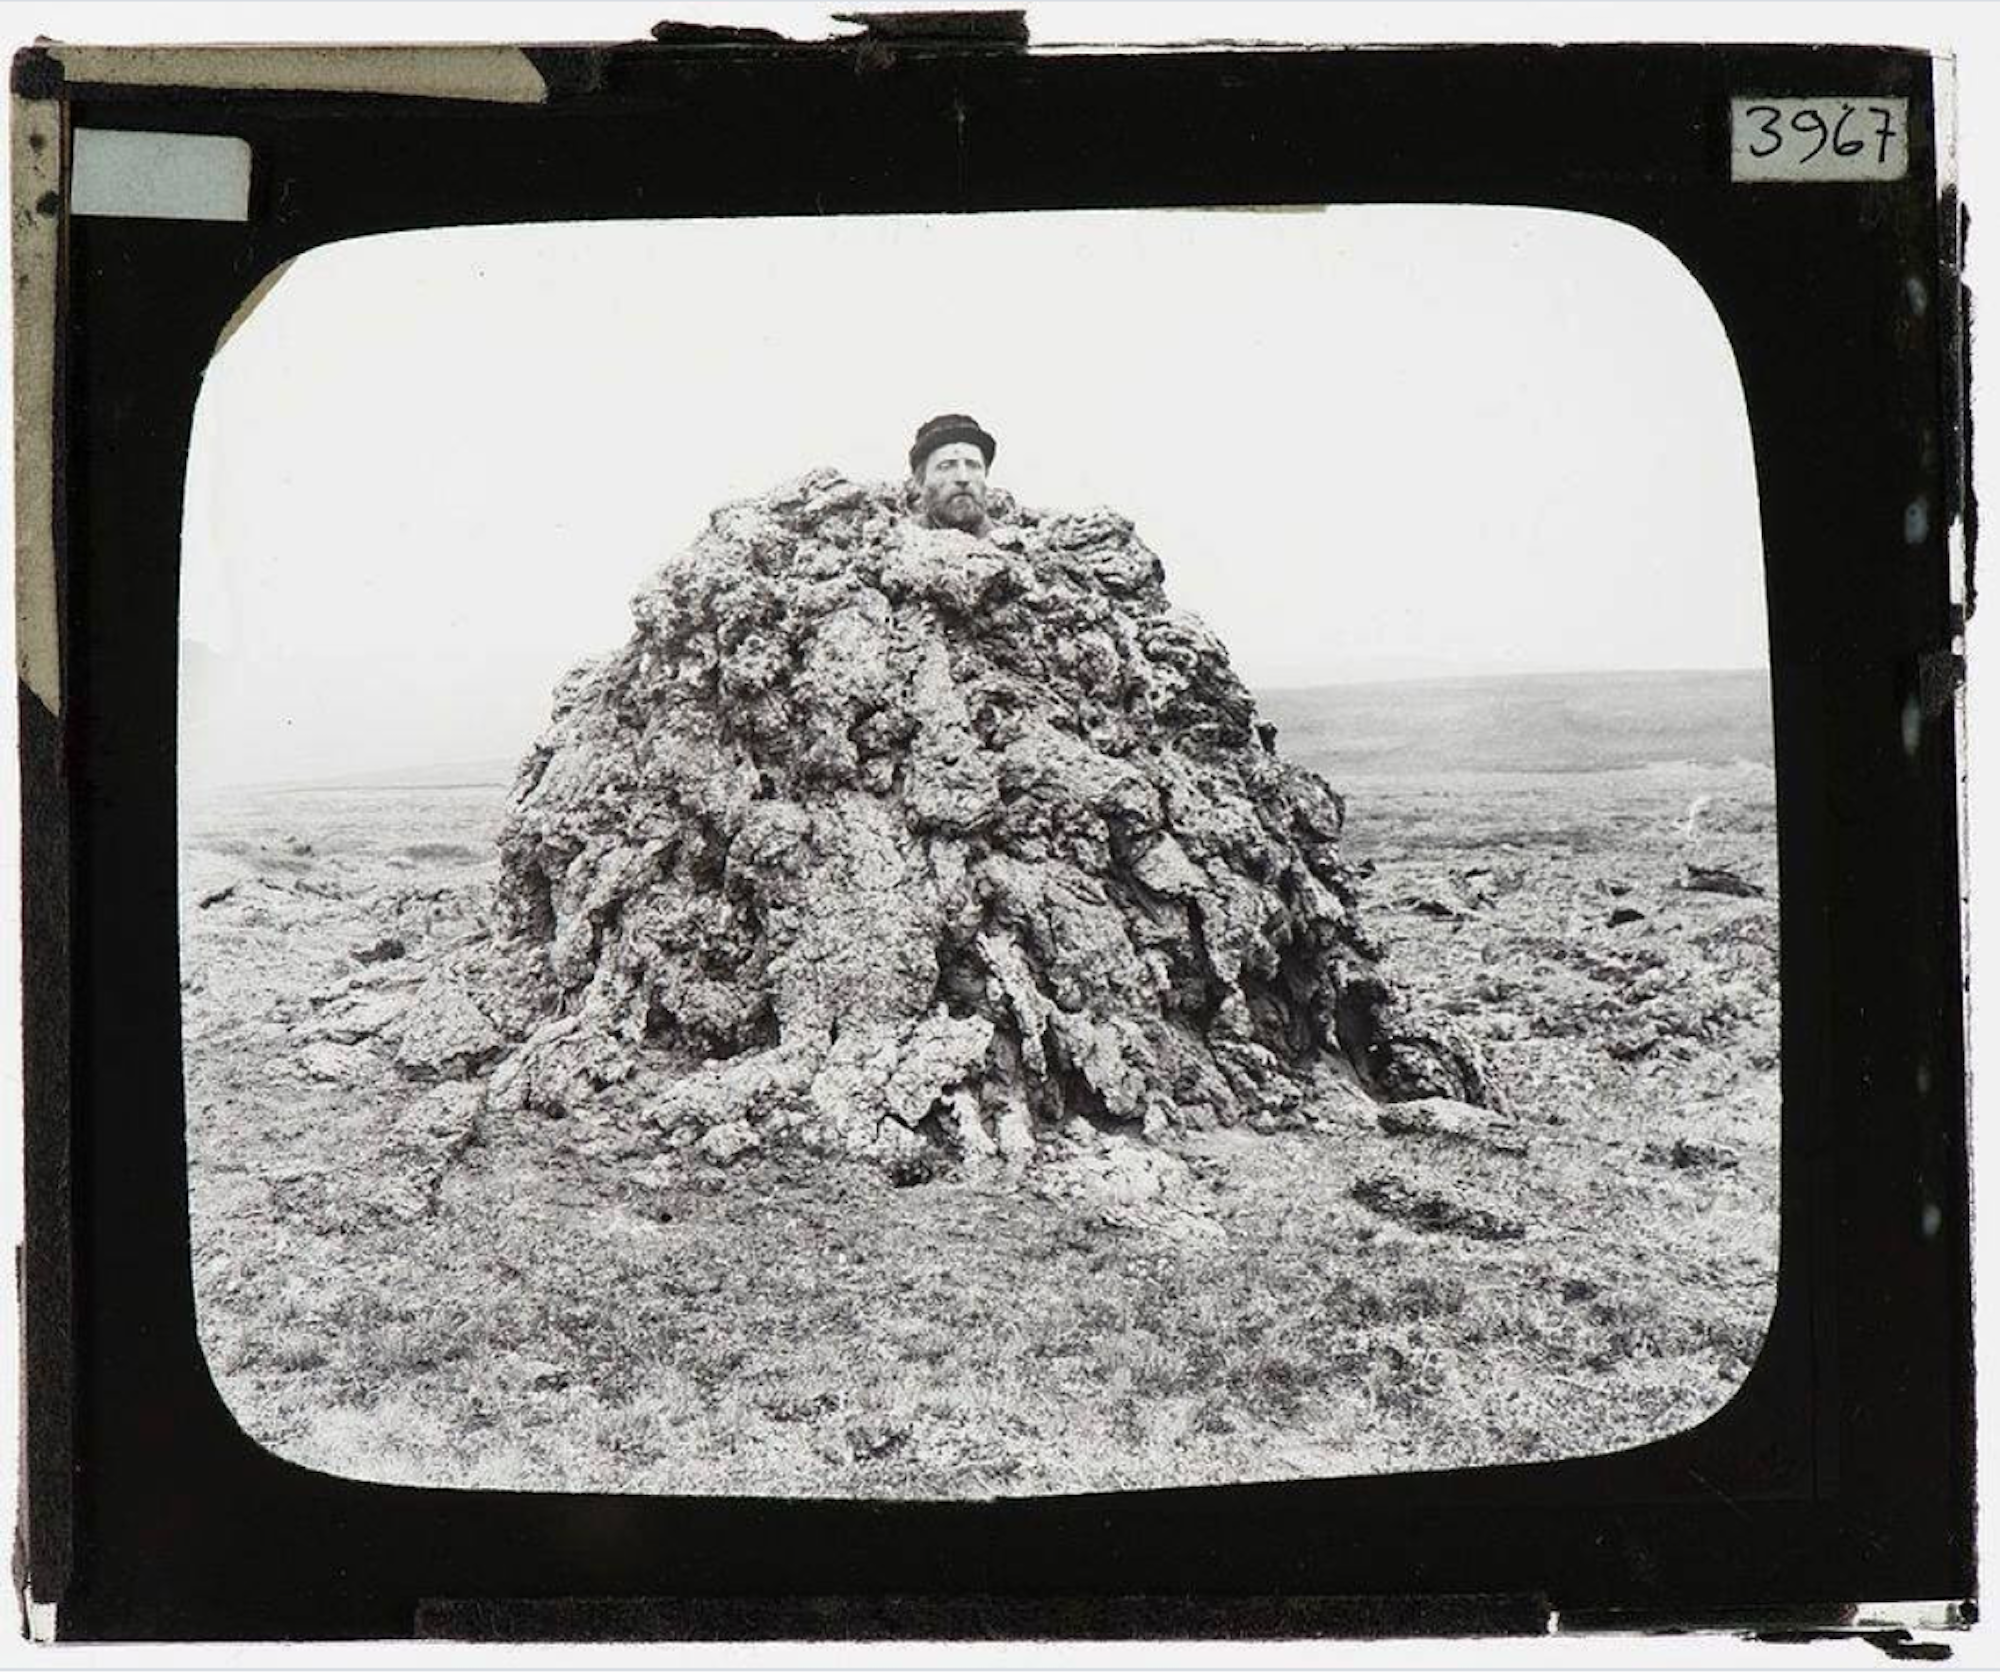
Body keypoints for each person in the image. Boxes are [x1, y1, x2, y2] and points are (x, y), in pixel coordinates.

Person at [908, 413, 998, 538]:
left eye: (973, 465)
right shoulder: (898, 542)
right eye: (946, 466)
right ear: (920, 481)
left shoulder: (1014, 548)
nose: (963, 478)